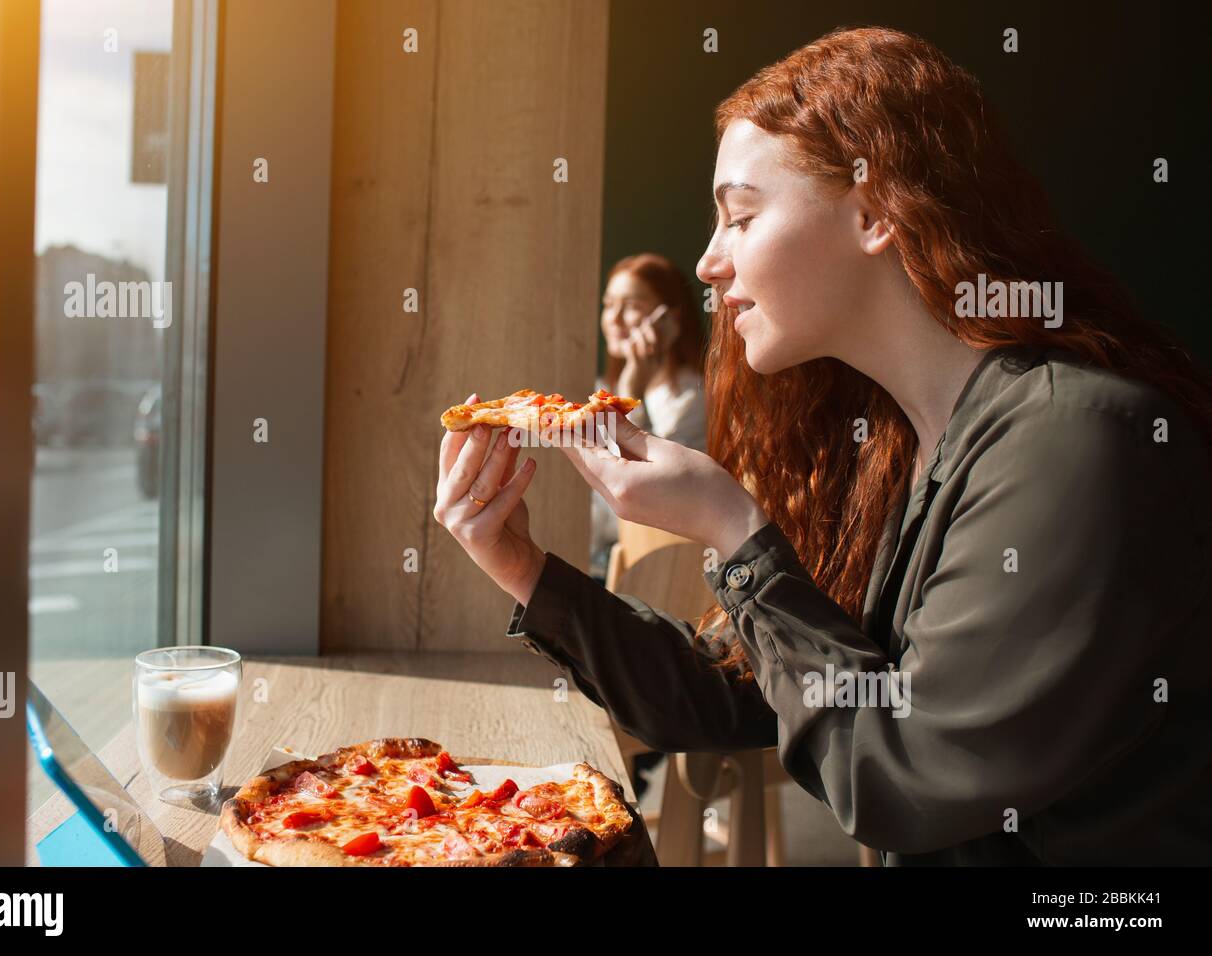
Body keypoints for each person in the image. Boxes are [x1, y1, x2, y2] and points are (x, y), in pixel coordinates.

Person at [433, 27, 1212, 865]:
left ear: (877, 211)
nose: (706, 263)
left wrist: (735, 529)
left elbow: (903, 779)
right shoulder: (892, 448)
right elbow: (729, 695)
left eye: (740, 216)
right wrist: (520, 565)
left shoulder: (1076, 442)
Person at [591, 254, 707, 580]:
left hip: (656, 568)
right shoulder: (600, 389)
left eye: (631, 305)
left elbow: (656, 487)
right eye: (608, 304)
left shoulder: (692, 396)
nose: (613, 318)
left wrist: (632, 389)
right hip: (594, 560)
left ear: (669, 318)